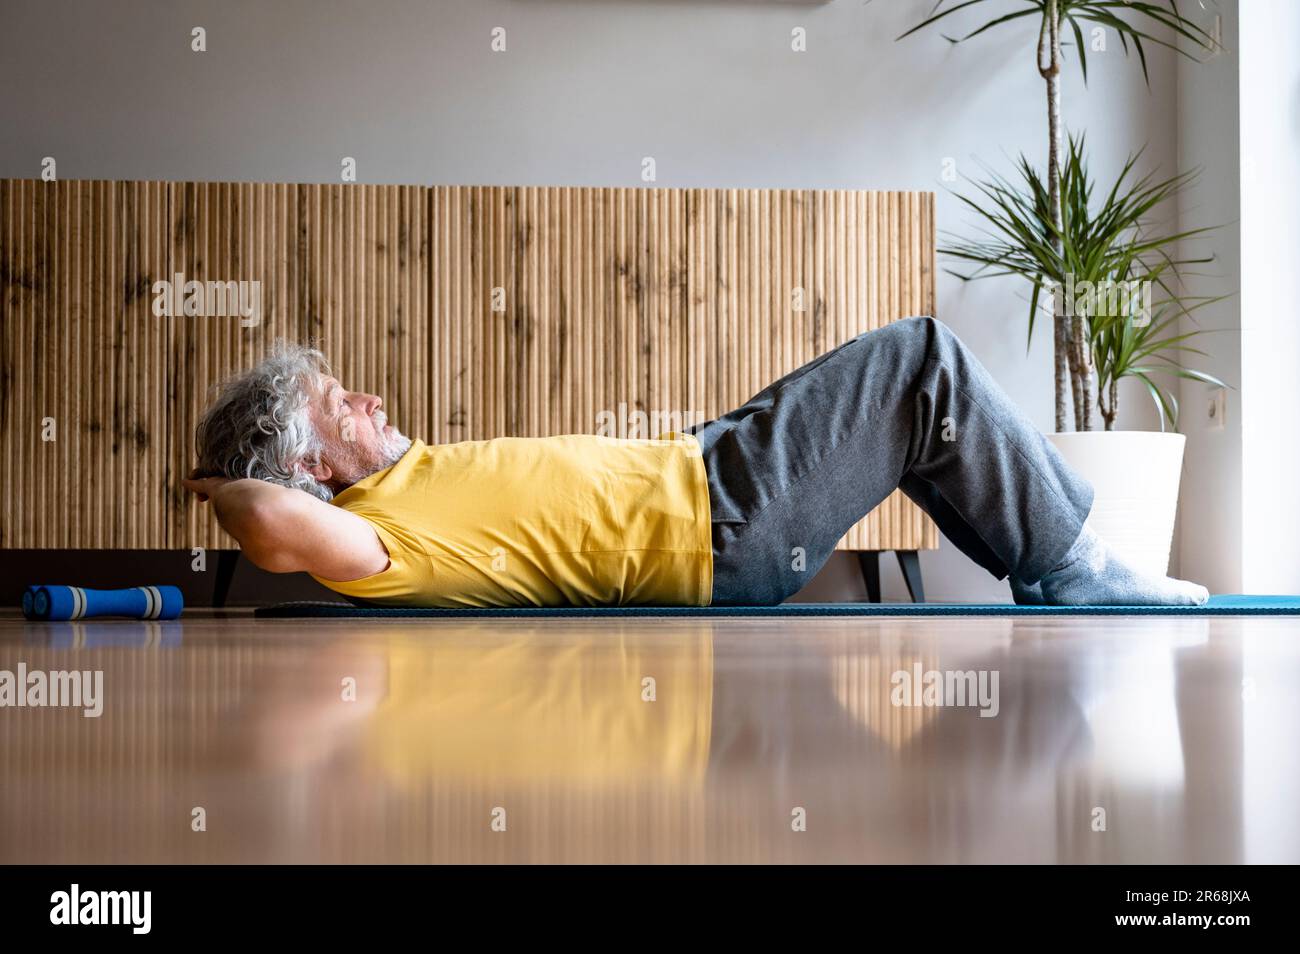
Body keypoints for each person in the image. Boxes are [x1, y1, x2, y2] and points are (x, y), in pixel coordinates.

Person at [182, 317, 1209, 608]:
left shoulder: (404, 486)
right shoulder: (374, 538)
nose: (365, 397)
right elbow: (271, 533)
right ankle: (1070, 567)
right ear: (310, 469)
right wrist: (232, 486)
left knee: (909, 402)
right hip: (727, 523)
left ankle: (1056, 560)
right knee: (918, 362)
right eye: (335, 407)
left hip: (705, 467)